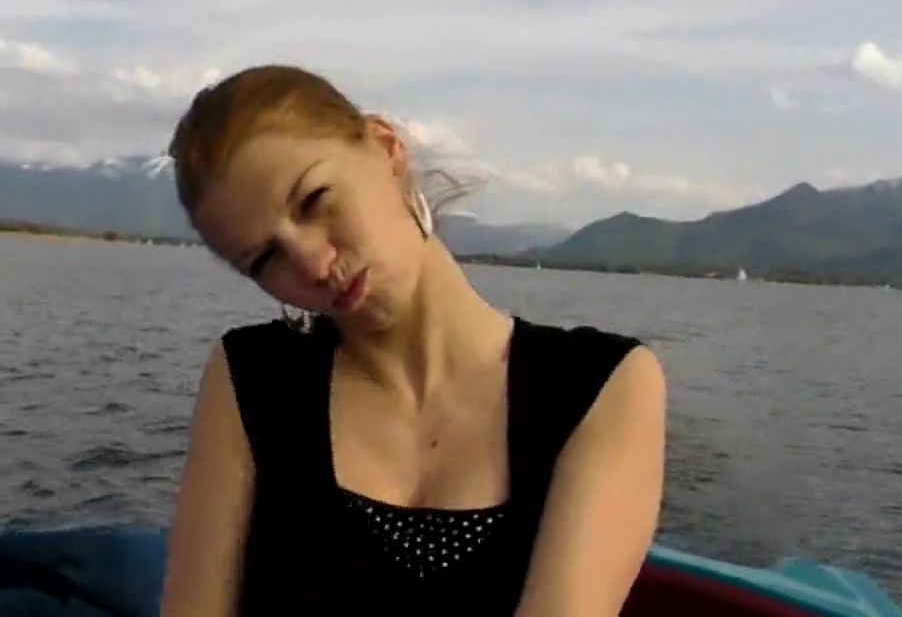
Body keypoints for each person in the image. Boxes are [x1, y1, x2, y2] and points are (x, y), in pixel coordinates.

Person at [159, 65, 666, 616]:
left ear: (386, 148)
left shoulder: (599, 384)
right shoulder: (252, 380)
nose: (314, 263)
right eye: (264, 259)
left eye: (315, 199)